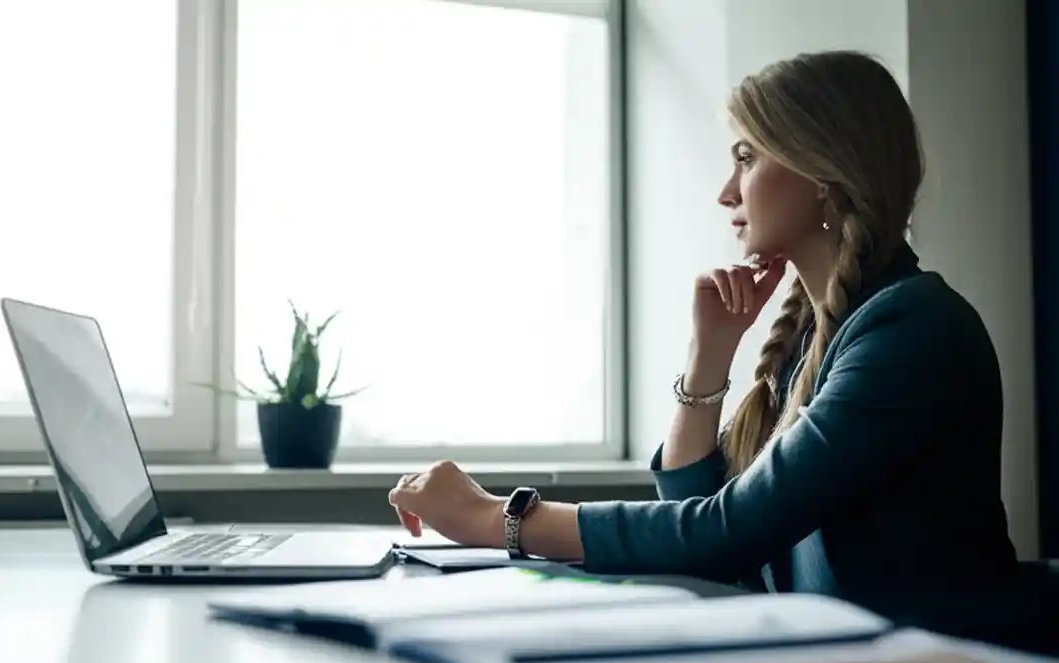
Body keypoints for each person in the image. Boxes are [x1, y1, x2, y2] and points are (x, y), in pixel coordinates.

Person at [386, 50, 1019, 599]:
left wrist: (496, 517)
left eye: (747, 158)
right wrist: (708, 359)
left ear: (824, 175)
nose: (726, 192)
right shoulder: (825, 333)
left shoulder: (911, 330)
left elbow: (721, 533)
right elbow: (702, 534)